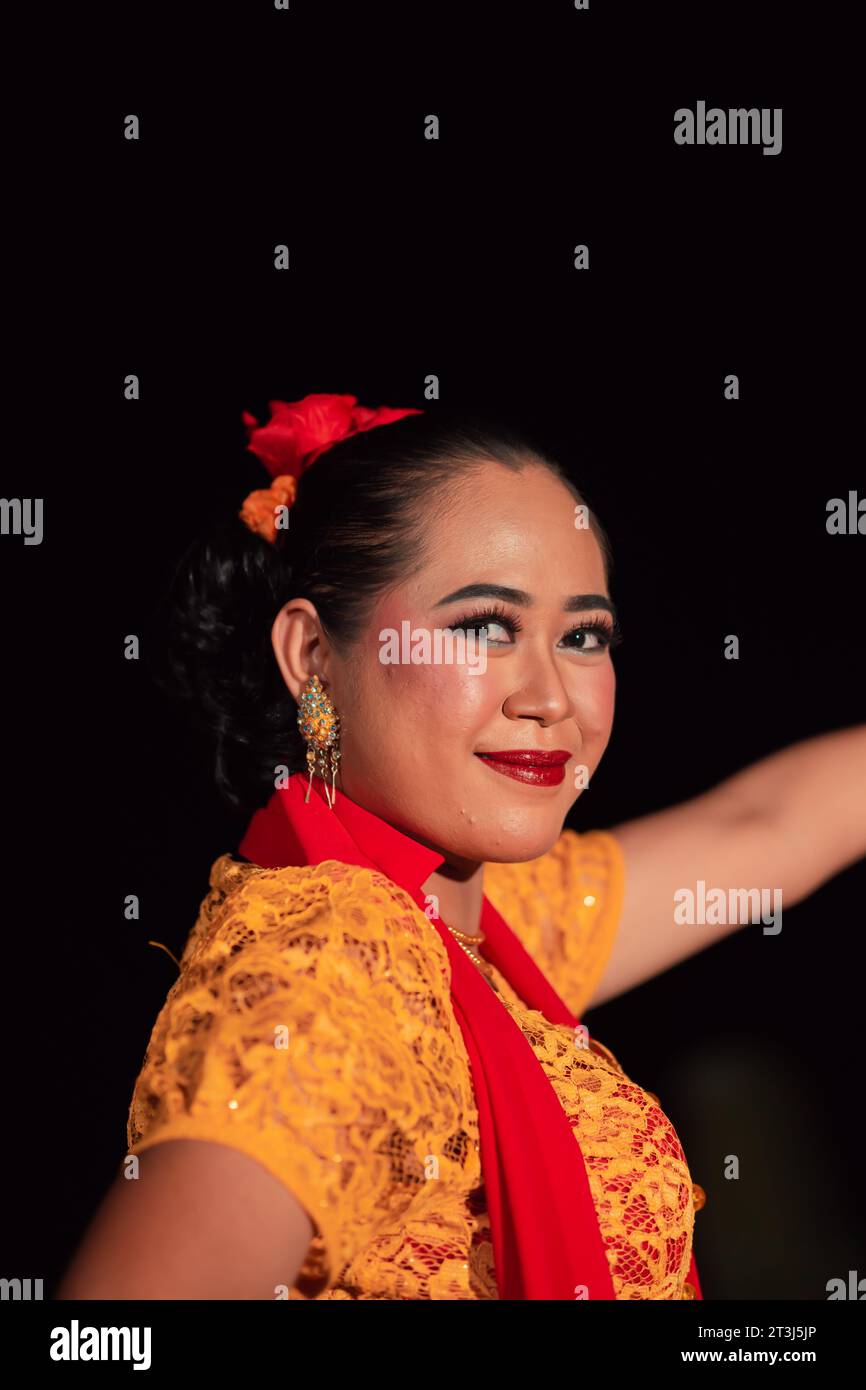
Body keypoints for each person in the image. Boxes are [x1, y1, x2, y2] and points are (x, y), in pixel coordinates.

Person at [57, 393, 866, 1301]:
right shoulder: (337, 970)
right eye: (486, 625)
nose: (550, 696)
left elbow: (769, 827)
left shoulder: (478, 926)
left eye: (583, 636)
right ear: (314, 656)